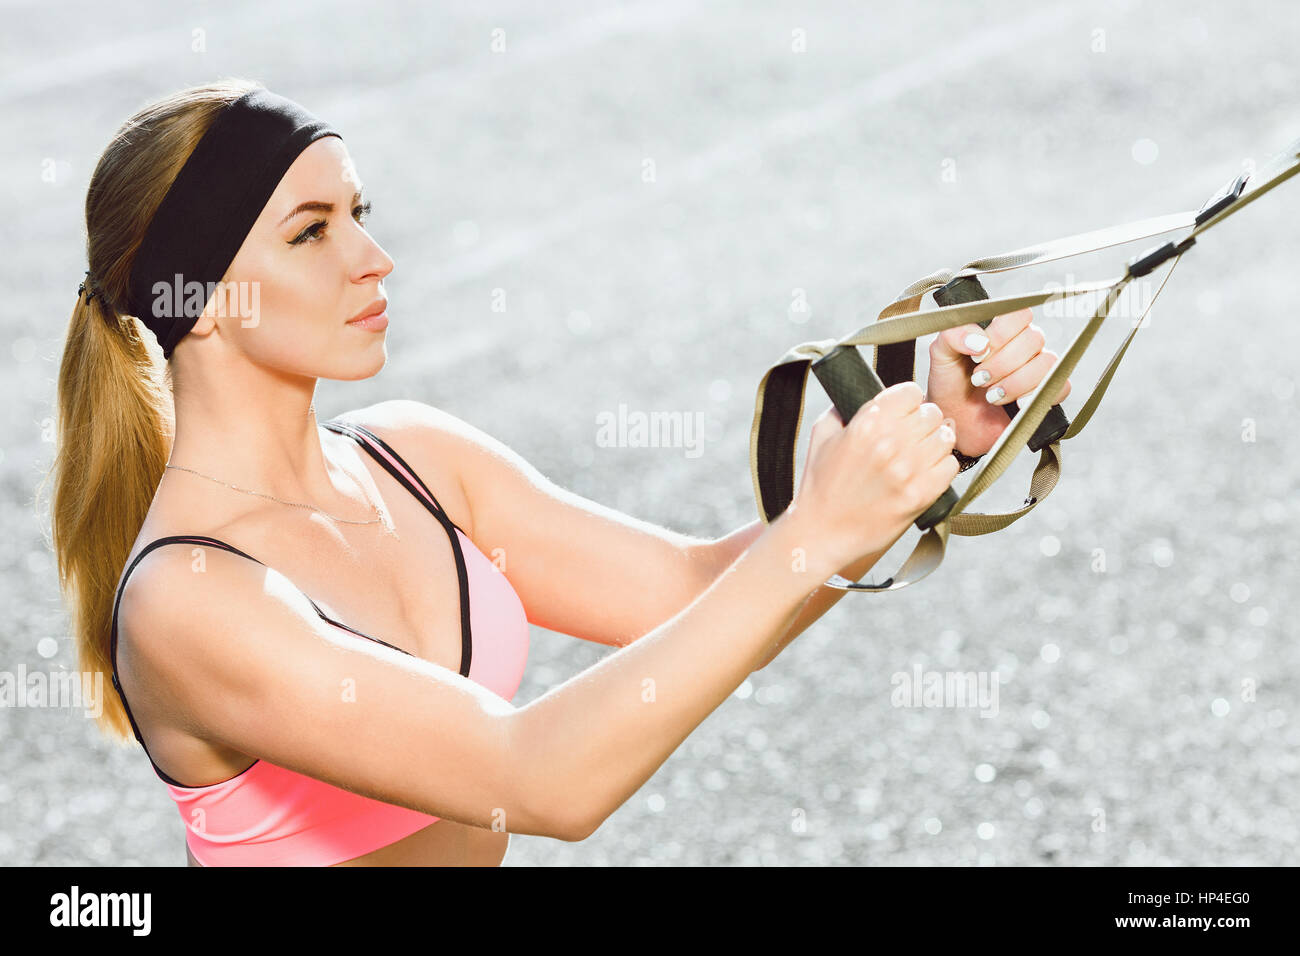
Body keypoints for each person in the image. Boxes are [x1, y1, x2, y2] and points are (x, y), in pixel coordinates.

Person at [43, 78, 1069, 867]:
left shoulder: (416, 459)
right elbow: (537, 779)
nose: (374, 256)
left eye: (361, 211)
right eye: (312, 231)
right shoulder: (188, 600)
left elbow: (695, 599)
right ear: (204, 297)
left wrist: (932, 435)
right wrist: (816, 529)